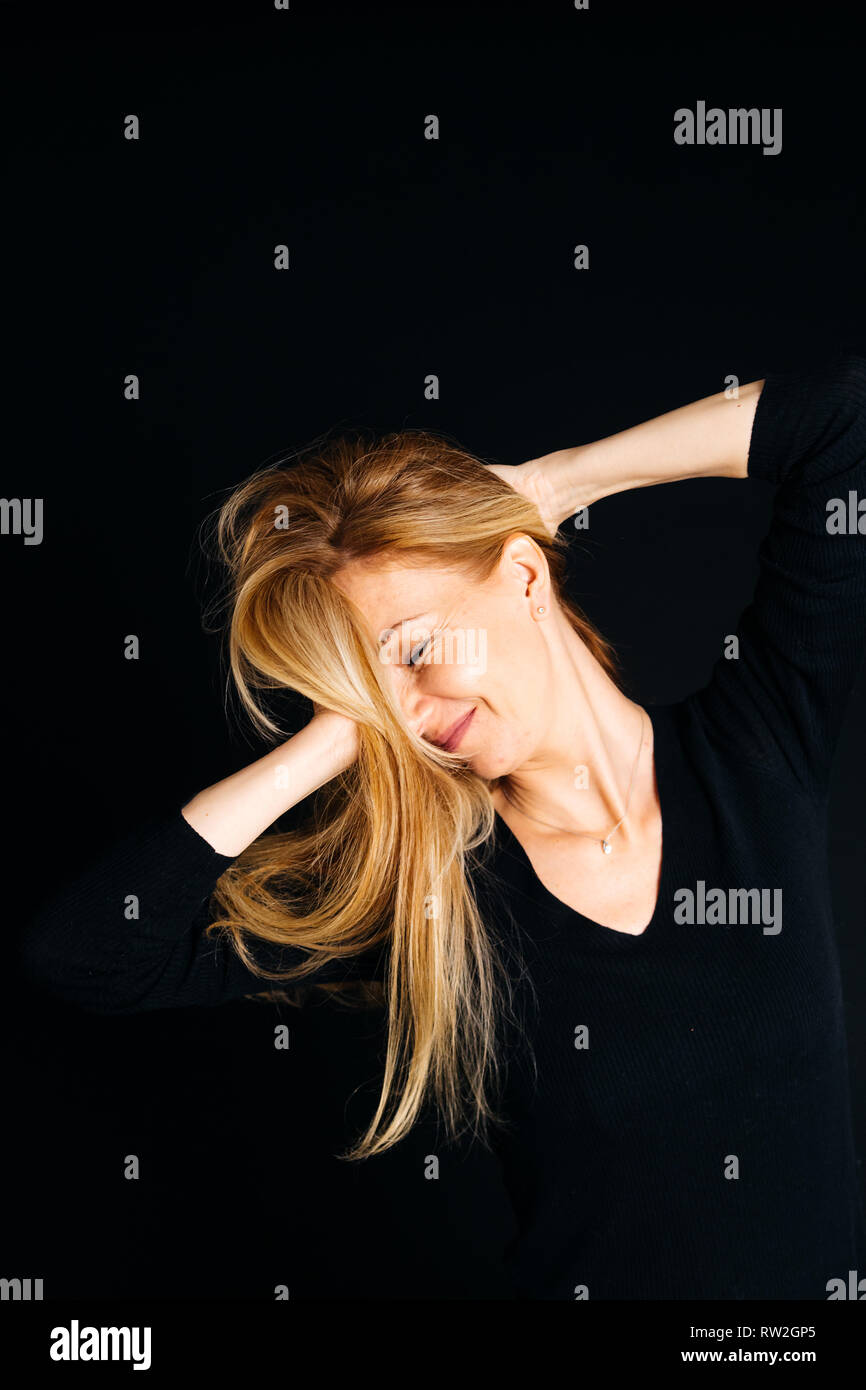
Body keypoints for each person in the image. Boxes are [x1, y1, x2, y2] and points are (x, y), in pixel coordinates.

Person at [21, 352, 866, 1300]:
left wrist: (554, 482)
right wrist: (331, 739)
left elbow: (843, 417)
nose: (414, 714)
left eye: (420, 649)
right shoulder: (429, 895)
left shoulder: (758, 751)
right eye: (380, 694)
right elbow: (86, 954)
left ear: (524, 577)